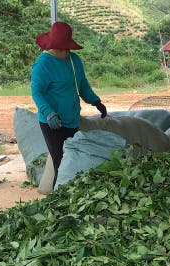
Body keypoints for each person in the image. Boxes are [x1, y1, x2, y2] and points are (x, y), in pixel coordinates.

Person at [31, 21, 107, 188]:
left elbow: (82, 85)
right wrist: (49, 112)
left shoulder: (74, 61)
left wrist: (96, 101)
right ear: (53, 47)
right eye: (63, 49)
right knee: (60, 161)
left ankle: (70, 192)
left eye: (68, 48)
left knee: (72, 158)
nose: (66, 52)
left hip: (71, 120)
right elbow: (37, 93)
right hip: (52, 123)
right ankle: (59, 196)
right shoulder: (43, 64)